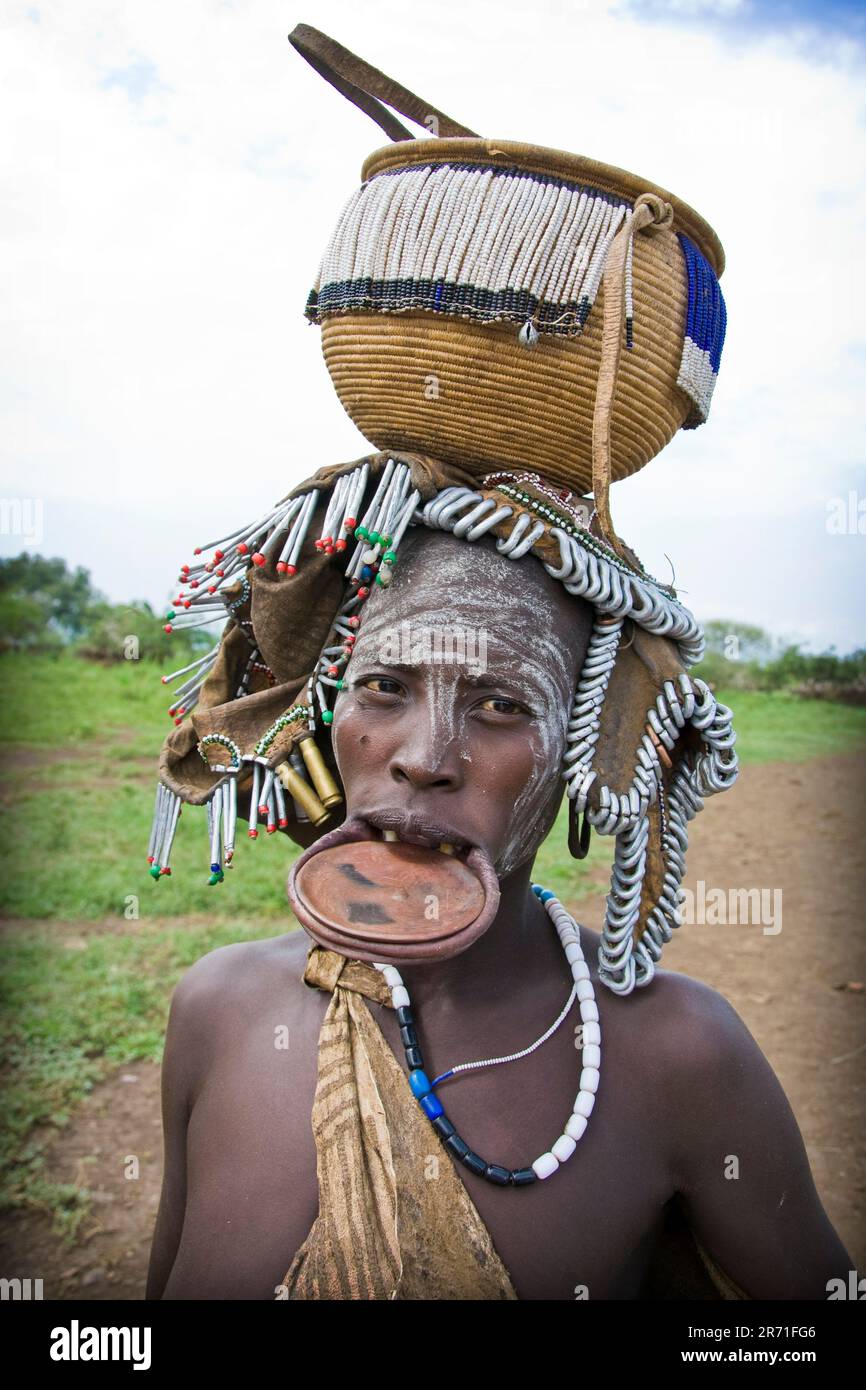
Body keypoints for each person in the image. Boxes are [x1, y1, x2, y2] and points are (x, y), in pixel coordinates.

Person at [145, 523, 852, 1300]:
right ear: (329, 717)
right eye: (384, 686)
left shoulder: (679, 1052)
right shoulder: (220, 1006)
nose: (425, 755)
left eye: (502, 704)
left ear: (582, 764)